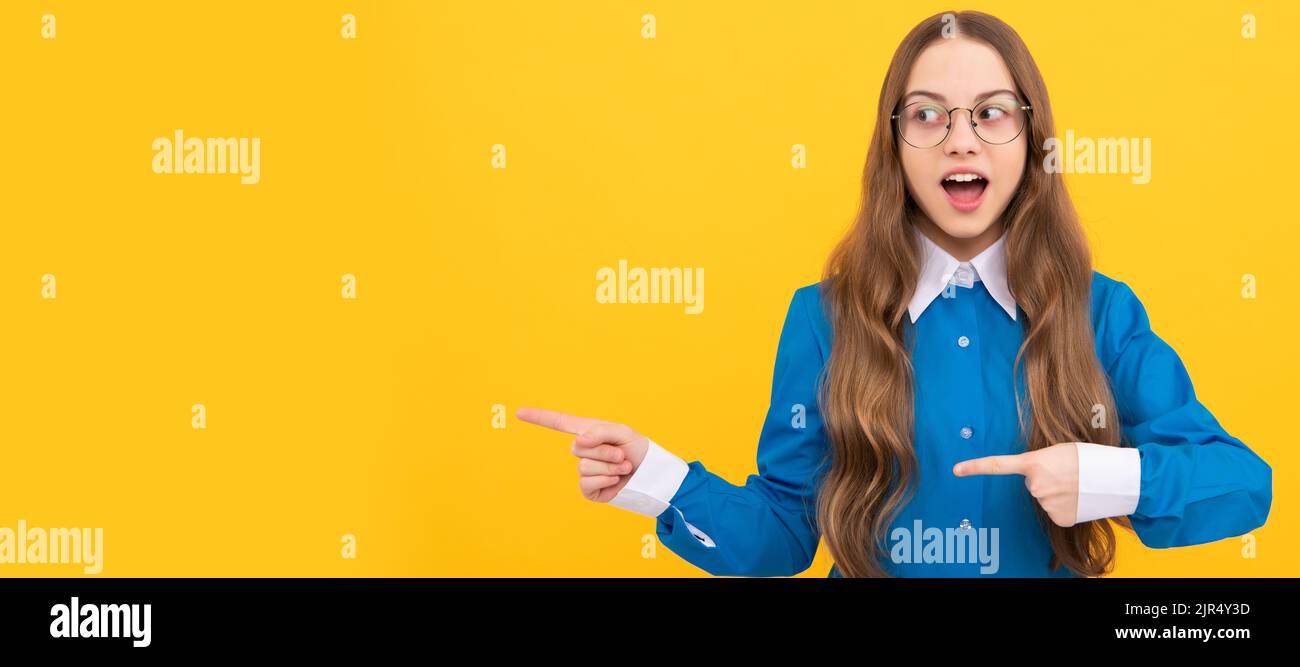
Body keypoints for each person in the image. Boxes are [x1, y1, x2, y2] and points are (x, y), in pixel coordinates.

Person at [517, 10, 1271, 577]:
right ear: (895, 143)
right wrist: (657, 478)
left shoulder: (1102, 315)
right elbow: (783, 533)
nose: (961, 139)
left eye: (992, 113)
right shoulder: (823, 321)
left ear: (1030, 137)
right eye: (928, 115)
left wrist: (1106, 478)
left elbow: (1244, 488)